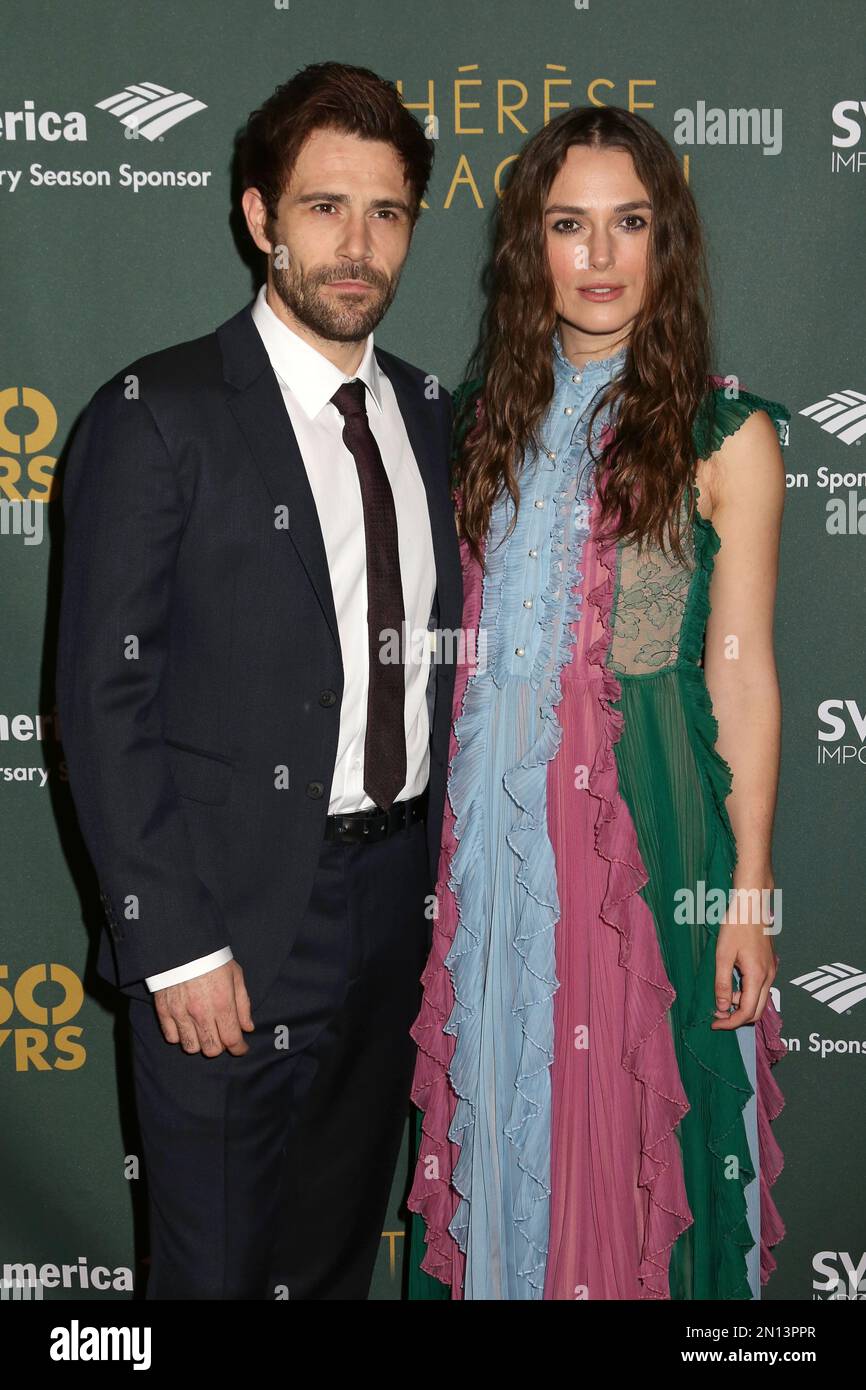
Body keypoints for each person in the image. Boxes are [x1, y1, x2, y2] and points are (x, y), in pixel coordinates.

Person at [56, 61, 462, 1300]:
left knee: (334, 1260)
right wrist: (172, 944)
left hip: (394, 910)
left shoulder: (428, 412)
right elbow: (98, 700)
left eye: (386, 212)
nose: (357, 244)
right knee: (216, 1273)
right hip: (226, 926)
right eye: (324, 207)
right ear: (257, 218)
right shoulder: (158, 411)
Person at [407, 104, 788, 1300]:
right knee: (495, 1102)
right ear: (532, 250)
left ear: (665, 245)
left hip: (644, 830)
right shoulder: (469, 425)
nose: (602, 256)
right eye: (569, 227)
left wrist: (748, 892)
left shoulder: (725, 434)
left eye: (630, 224)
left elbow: (739, 670)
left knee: (625, 1132)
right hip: (480, 845)